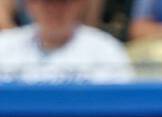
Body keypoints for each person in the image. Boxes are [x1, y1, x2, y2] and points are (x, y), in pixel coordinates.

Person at [0, 0, 133, 82]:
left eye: (63, 1)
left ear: (80, 3)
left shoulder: (107, 50)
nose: (54, 9)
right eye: (46, 1)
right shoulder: (4, 45)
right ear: (29, 4)